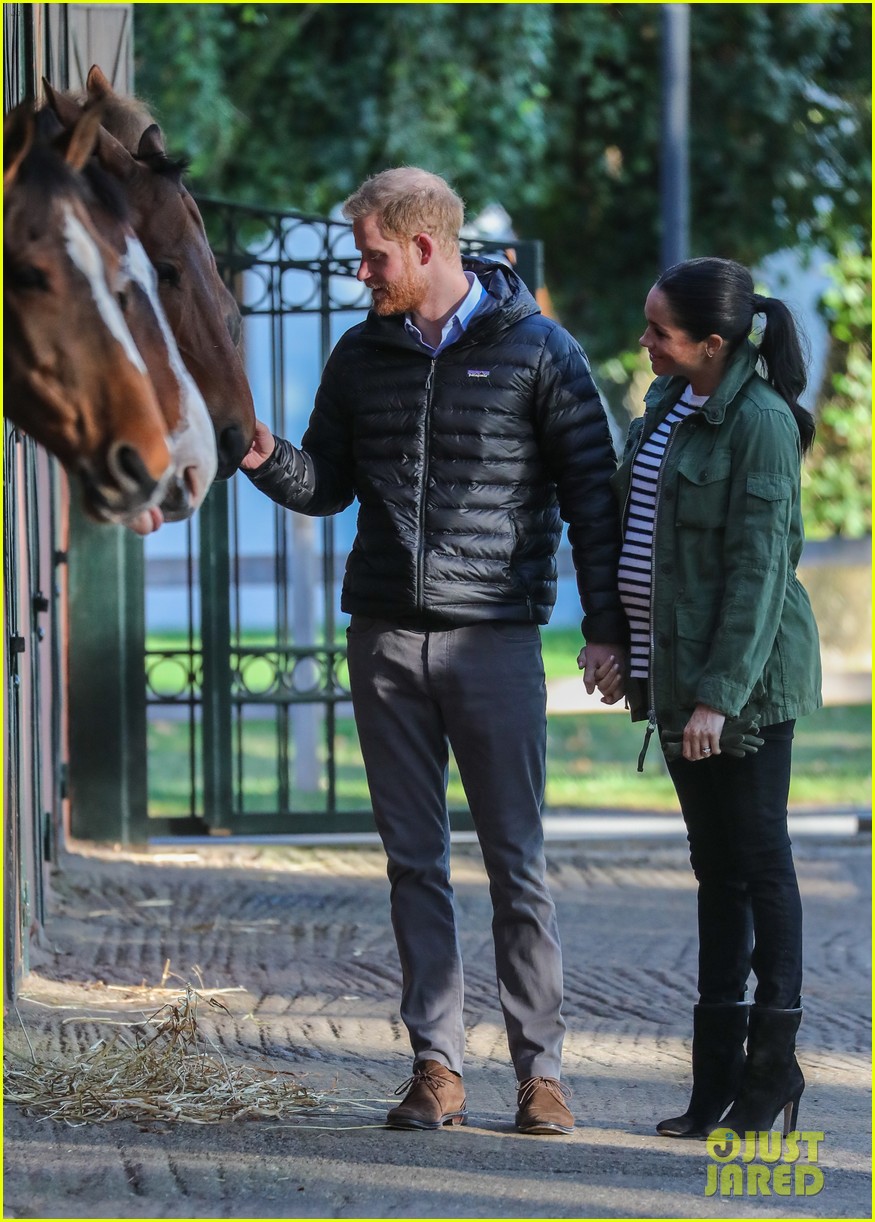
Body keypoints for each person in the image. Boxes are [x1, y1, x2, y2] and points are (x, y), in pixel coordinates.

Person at [241, 167, 626, 1134]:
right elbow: (327, 482)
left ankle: (540, 1075)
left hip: (493, 641)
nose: (359, 273)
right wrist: (258, 454)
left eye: (371, 254)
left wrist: (612, 630)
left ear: (424, 247)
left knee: (516, 866)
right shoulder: (358, 354)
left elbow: (594, 501)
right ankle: (436, 1068)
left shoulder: (542, 352)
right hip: (381, 638)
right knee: (413, 864)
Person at [611, 256, 821, 1139]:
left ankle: (771, 1069)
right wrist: (622, 648)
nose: (646, 342)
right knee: (713, 873)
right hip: (677, 678)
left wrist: (718, 698)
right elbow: (647, 540)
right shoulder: (668, 405)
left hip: (743, 685)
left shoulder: (762, 423)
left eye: (660, 331)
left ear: (713, 341)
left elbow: (757, 570)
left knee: (759, 864)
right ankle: (717, 1080)